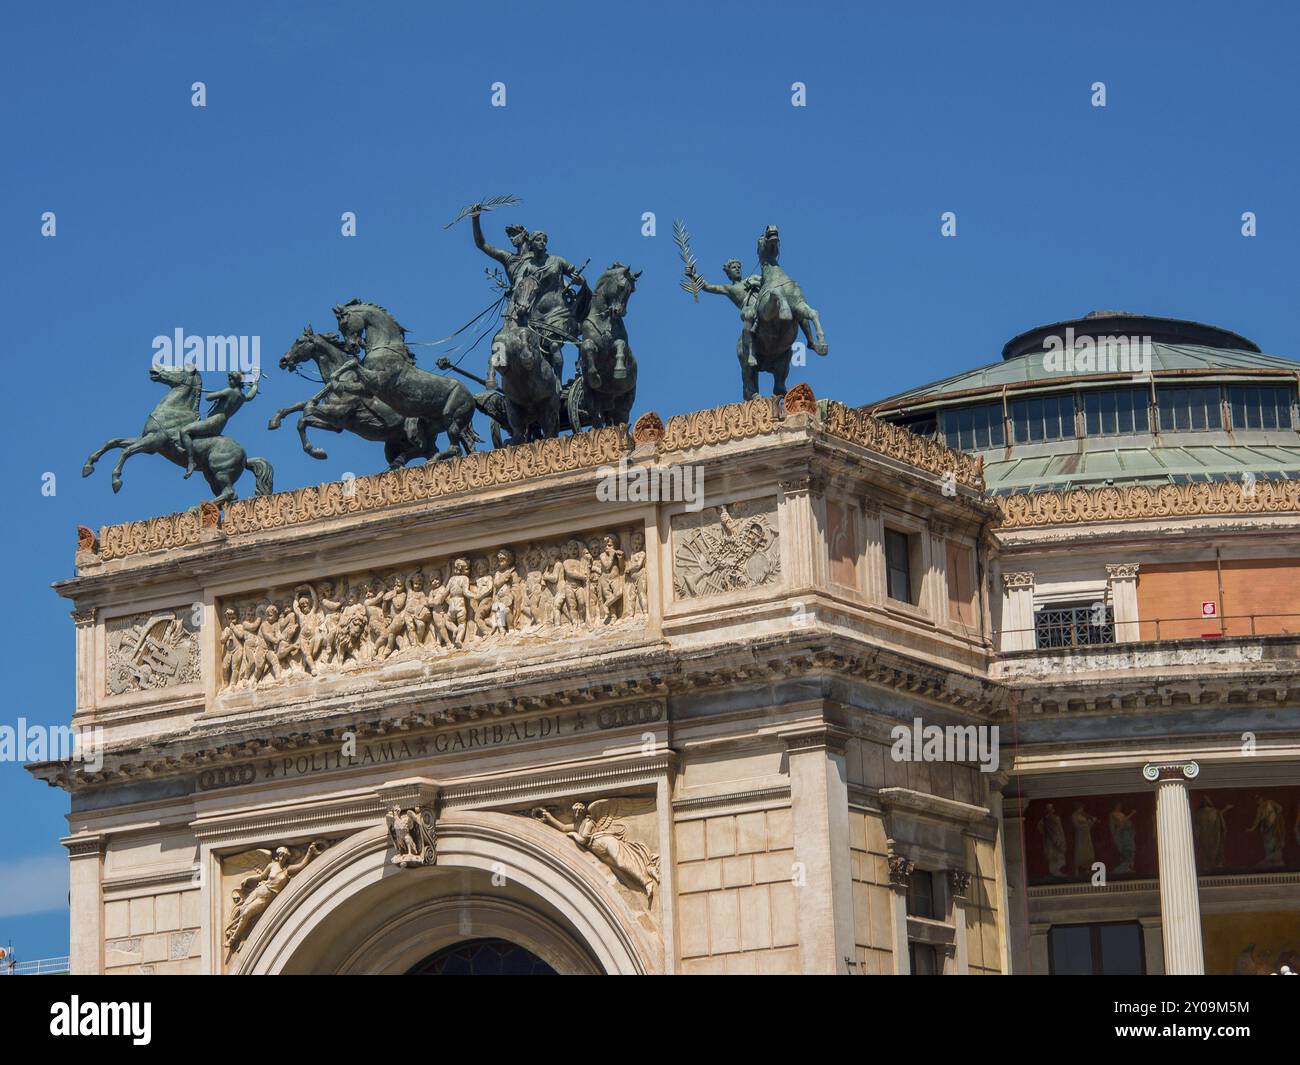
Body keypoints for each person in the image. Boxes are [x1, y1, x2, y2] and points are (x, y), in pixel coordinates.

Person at [179, 369, 259, 478]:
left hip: (214, 420)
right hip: (221, 423)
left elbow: (208, 397)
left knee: (185, 431)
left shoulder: (228, 391)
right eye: (229, 378)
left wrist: (219, 393)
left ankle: (191, 461)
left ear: (237, 381)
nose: (229, 381)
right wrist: (255, 385)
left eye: (231, 379)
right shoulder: (242, 397)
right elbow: (250, 396)